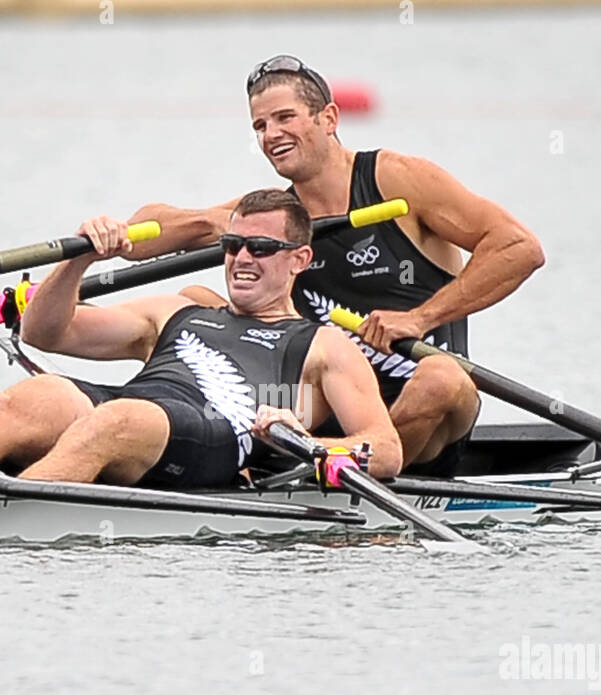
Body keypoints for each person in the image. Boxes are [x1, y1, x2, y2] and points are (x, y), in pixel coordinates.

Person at [124, 54, 545, 475]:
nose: (272, 135)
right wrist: (206, 224)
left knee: (443, 376)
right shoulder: (276, 215)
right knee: (192, 302)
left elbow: (519, 247)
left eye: (285, 117)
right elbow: (139, 237)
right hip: (325, 403)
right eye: (260, 126)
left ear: (329, 118)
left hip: (422, 411)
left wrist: (420, 319)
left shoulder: (396, 181)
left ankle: (325, 467)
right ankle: (214, 442)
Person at [0, 189, 401, 492]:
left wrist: (309, 441)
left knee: (117, 420)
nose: (243, 258)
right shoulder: (181, 307)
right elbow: (46, 333)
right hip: (132, 412)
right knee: (37, 395)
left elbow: (385, 449)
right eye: (233, 246)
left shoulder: (324, 345)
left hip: (217, 437)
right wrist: (80, 258)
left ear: (298, 259)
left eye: (263, 248)